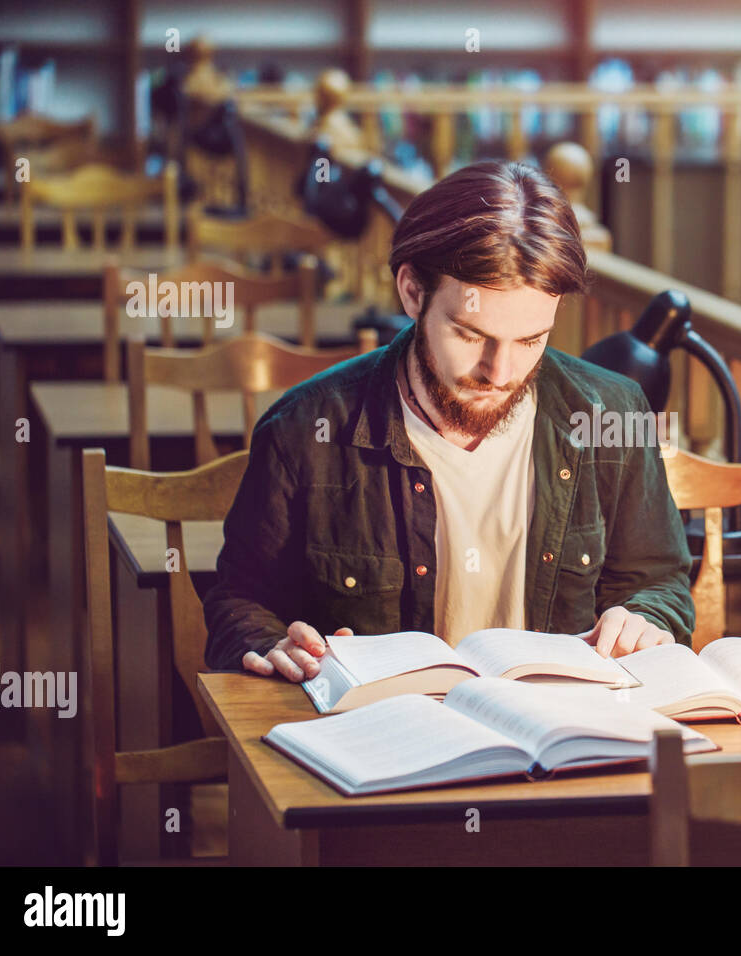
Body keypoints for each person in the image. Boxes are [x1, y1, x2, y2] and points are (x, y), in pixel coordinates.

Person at [202, 159, 695, 681]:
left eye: (531, 340)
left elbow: (660, 583)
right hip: (383, 739)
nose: (499, 372)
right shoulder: (304, 429)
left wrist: (645, 620)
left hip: (559, 736)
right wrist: (273, 644)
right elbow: (240, 603)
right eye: (470, 333)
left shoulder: (613, 413)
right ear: (412, 292)